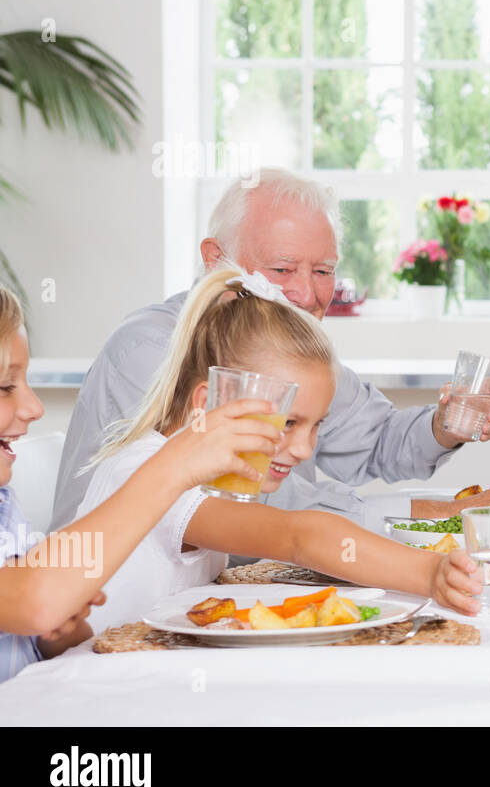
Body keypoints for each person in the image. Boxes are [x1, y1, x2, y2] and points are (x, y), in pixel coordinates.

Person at [54, 170, 490, 532]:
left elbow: (374, 443)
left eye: (324, 270)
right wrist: (441, 514)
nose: (307, 296)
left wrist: (445, 423)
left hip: (232, 587)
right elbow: (268, 509)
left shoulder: (287, 347)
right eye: (283, 270)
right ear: (213, 259)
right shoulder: (151, 349)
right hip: (104, 615)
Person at [76, 265, 486, 631]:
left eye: (315, 425)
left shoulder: (213, 481)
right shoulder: (150, 474)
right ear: (208, 404)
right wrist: (430, 573)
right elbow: (299, 537)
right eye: (287, 422)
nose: (305, 450)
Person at [0, 285, 286, 681]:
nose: (35, 408)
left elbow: (47, 633)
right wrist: (174, 466)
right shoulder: (143, 464)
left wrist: (59, 629)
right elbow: (34, 601)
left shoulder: (4, 506)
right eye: (5, 387)